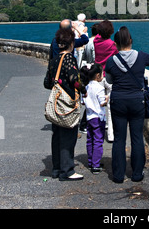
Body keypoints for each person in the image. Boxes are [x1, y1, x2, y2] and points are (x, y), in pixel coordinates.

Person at [105, 26, 149, 183]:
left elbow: (109, 81)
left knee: (119, 139)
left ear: (115, 43)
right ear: (131, 41)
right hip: (137, 101)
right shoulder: (141, 56)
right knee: (137, 137)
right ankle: (137, 174)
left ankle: (118, 175)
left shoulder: (111, 61)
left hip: (118, 101)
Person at [44, 27, 87, 181]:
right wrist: (83, 90)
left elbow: (47, 83)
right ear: (71, 43)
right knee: (69, 136)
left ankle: (56, 169)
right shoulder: (69, 58)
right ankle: (67, 170)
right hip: (67, 104)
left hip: (56, 103)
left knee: (57, 136)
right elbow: (74, 80)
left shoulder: (54, 60)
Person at [80, 64, 108, 174]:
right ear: (97, 75)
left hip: (89, 117)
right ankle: (96, 165)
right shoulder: (100, 88)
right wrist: (107, 98)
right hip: (98, 117)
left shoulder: (86, 87)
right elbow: (102, 103)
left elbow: (83, 102)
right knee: (98, 141)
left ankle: (91, 161)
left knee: (90, 139)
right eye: (102, 73)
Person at [94, 20, 118, 142]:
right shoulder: (112, 44)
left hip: (98, 75)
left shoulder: (95, 41)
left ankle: (98, 131)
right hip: (108, 76)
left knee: (98, 105)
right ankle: (111, 134)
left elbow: (98, 36)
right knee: (110, 105)